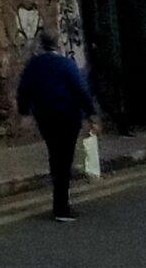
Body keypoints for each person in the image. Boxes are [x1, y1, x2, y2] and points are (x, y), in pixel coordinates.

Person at [14, 29, 97, 222]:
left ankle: (59, 203)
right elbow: (80, 89)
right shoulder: (66, 64)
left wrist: (24, 112)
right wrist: (91, 114)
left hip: (45, 117)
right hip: (68, 116)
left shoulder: (33, 65)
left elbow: (23, 90)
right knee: (65, 159)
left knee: (55, 155)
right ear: (57, 45)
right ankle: (61, 207)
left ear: (41, 46)